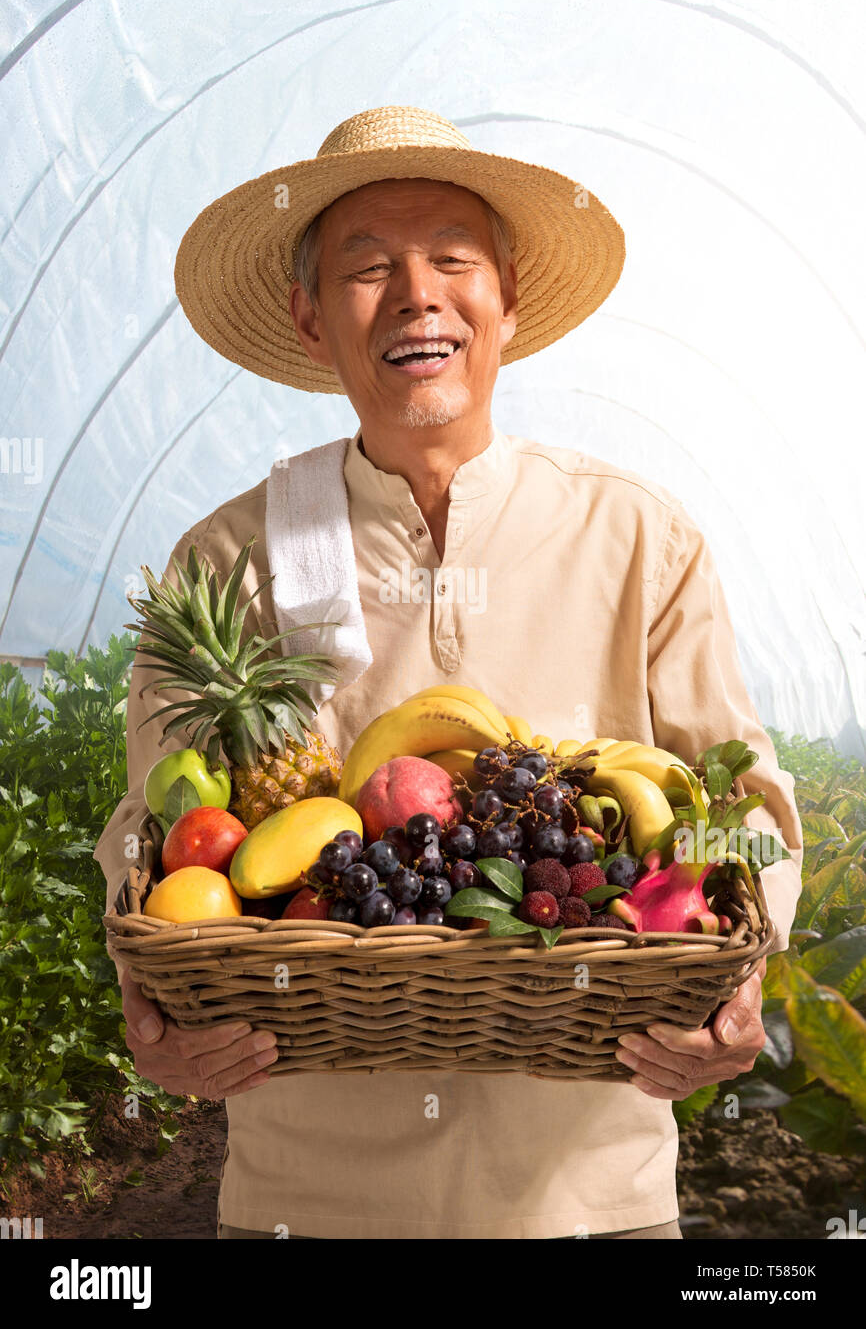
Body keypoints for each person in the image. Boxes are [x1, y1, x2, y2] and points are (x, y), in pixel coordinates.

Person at [95, 105, 803, 1240]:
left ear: (506, 300)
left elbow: (748, 806)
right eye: (365, 269)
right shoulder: (223, 562)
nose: (415, 294)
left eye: (451, 261)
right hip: (306, 1199)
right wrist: (149, 991)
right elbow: (148, 825)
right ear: (309, 315)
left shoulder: (636, 538)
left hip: (592, 1194)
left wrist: (743, 951)